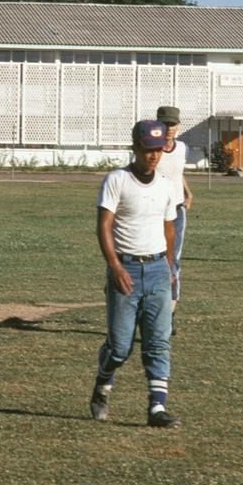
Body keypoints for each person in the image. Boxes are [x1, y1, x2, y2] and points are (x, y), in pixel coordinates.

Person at [89, 119, 181, 428]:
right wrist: (114, 266)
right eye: (147, 150)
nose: (153, 156)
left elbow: (169, 228)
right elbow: (103, 226)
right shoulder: (117, 180)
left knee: (158, 342)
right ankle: (103, 383)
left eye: (158, 150)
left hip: (157, 270)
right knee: (119, 347)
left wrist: (168, 267)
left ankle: (157, 407)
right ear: (135, 148)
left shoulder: (168, 185)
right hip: (125, 270)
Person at [153, 105, 191, 305]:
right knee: (152, 258)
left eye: (172, 124)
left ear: (178, 126)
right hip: (153, 211)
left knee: (173, 259)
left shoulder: (182, 148)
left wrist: (187, 192)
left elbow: (178, 172)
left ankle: (170, 310)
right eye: (165, 124)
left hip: (176, 210)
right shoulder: (151, 149)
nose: (169, 128)